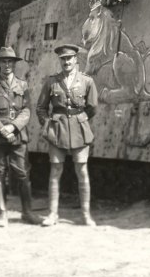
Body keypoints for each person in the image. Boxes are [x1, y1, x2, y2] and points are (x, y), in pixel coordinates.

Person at [36, 44, 98, 227]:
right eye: (63, 59)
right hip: (58, 130)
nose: (66, 62)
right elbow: (40, 108)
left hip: (79, 131)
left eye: (69, 58)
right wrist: (48, 124)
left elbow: (92, 106)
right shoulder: (51, 82)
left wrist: (82, 119)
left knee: (82, 170)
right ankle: (52, 214)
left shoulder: (87, 81)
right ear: (60, 61)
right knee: (55, 171)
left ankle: (86, 215)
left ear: (76, 59)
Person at [0, 47, 42, 227]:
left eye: (10, 62)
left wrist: (13, 127)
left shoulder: (22, 85)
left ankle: (27, 212)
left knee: (22, 173)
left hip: (17, 134)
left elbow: (27, 109)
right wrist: (2, 129)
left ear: (14, 64)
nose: (7, 65)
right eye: (3, 61)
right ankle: (2, 213)